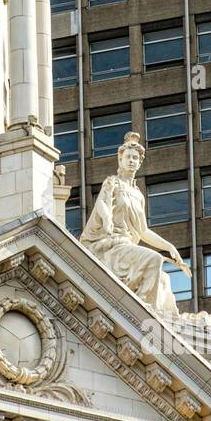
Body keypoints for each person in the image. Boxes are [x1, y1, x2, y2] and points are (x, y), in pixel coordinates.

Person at [80, 132, 190, 319]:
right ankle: (146, 312)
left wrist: (169, 247)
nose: (131, 161)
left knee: (164, 279)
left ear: (139, 163)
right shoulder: (112, 183)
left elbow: (143, 231)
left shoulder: (138, 195)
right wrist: (107, 220)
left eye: (135, 158)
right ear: (120, 160)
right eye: (128, 157)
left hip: (128, 246)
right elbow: (102, 205)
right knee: (154, 260)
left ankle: (153, 315)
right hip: (111, 246)